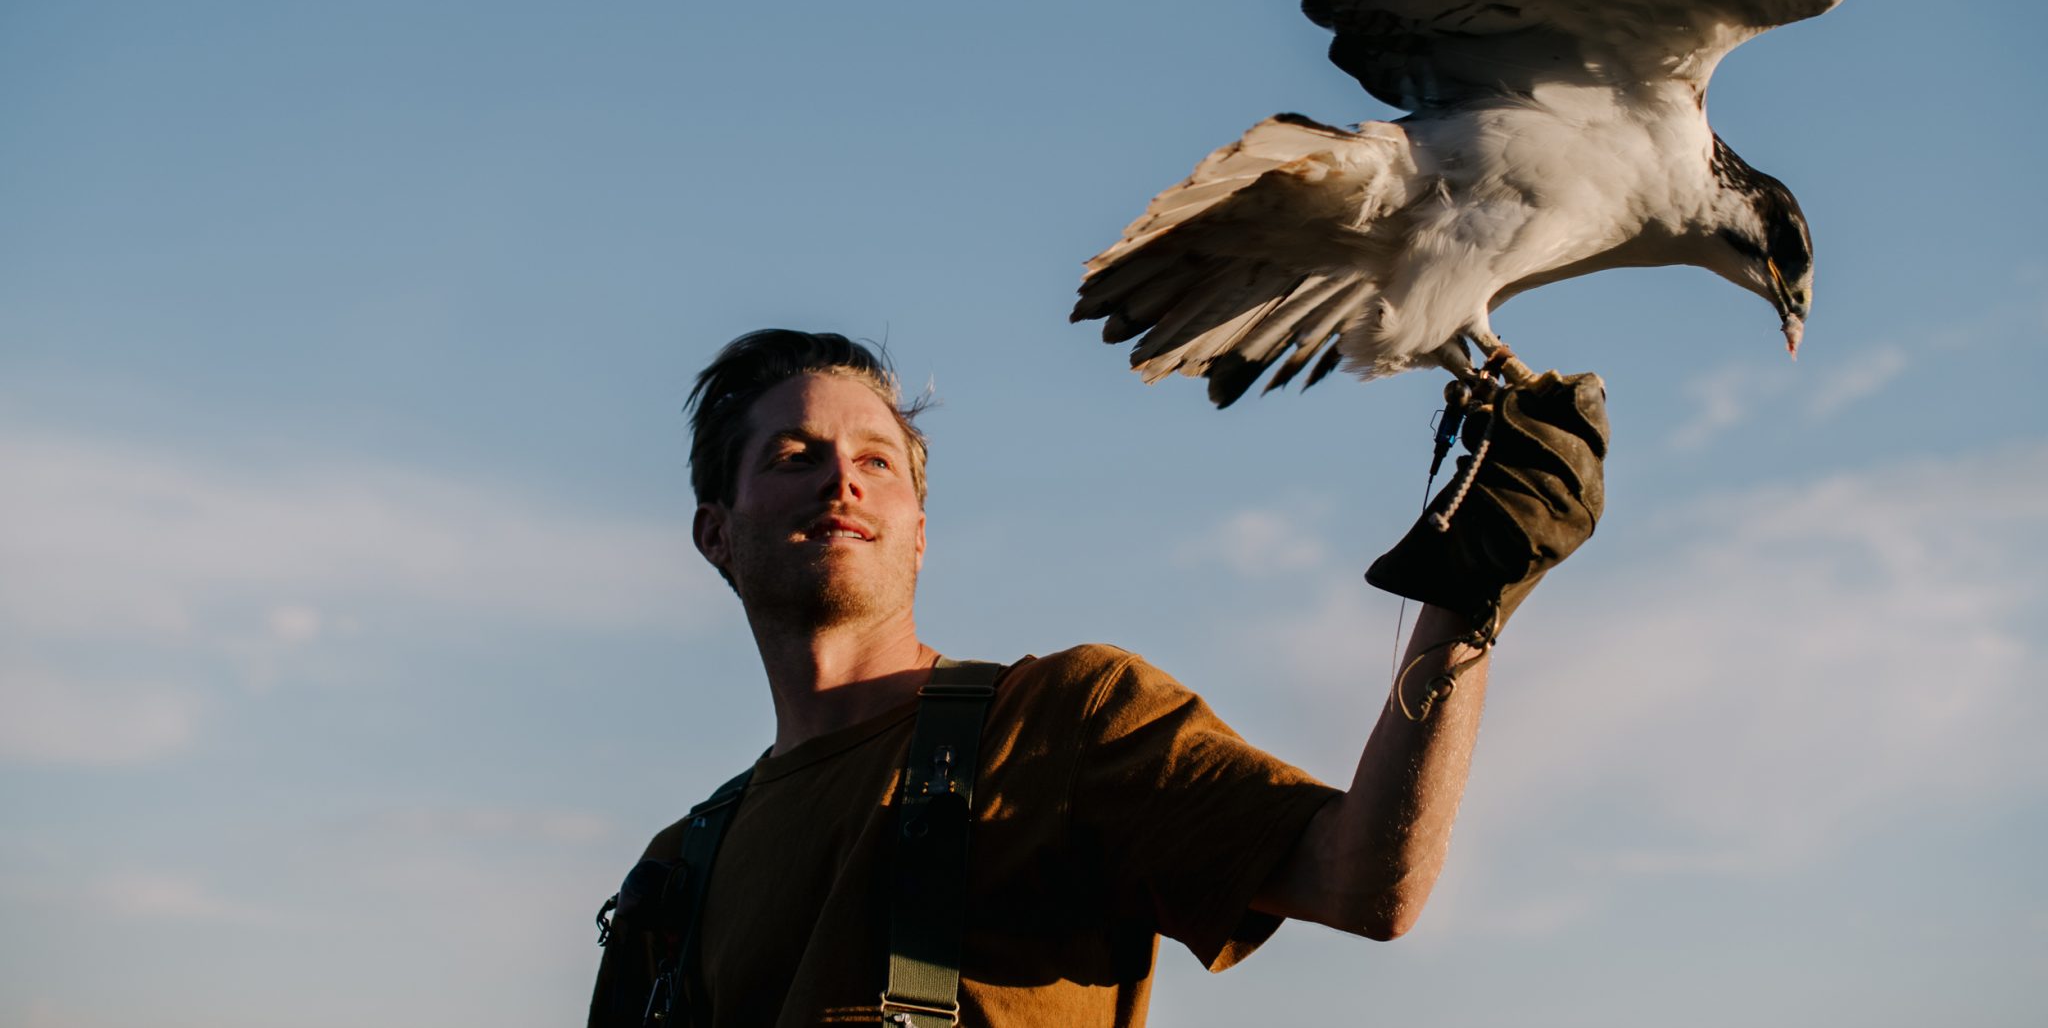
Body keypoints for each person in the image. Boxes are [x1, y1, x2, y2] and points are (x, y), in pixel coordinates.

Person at [589, 328, 1607, 1027]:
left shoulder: (1062, 720)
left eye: (877, 460)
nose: (841, 479)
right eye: (792, 455)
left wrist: (1466, 599)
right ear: (715, 534)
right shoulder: (674, 873)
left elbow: (1363, 881)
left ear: (919, 532)